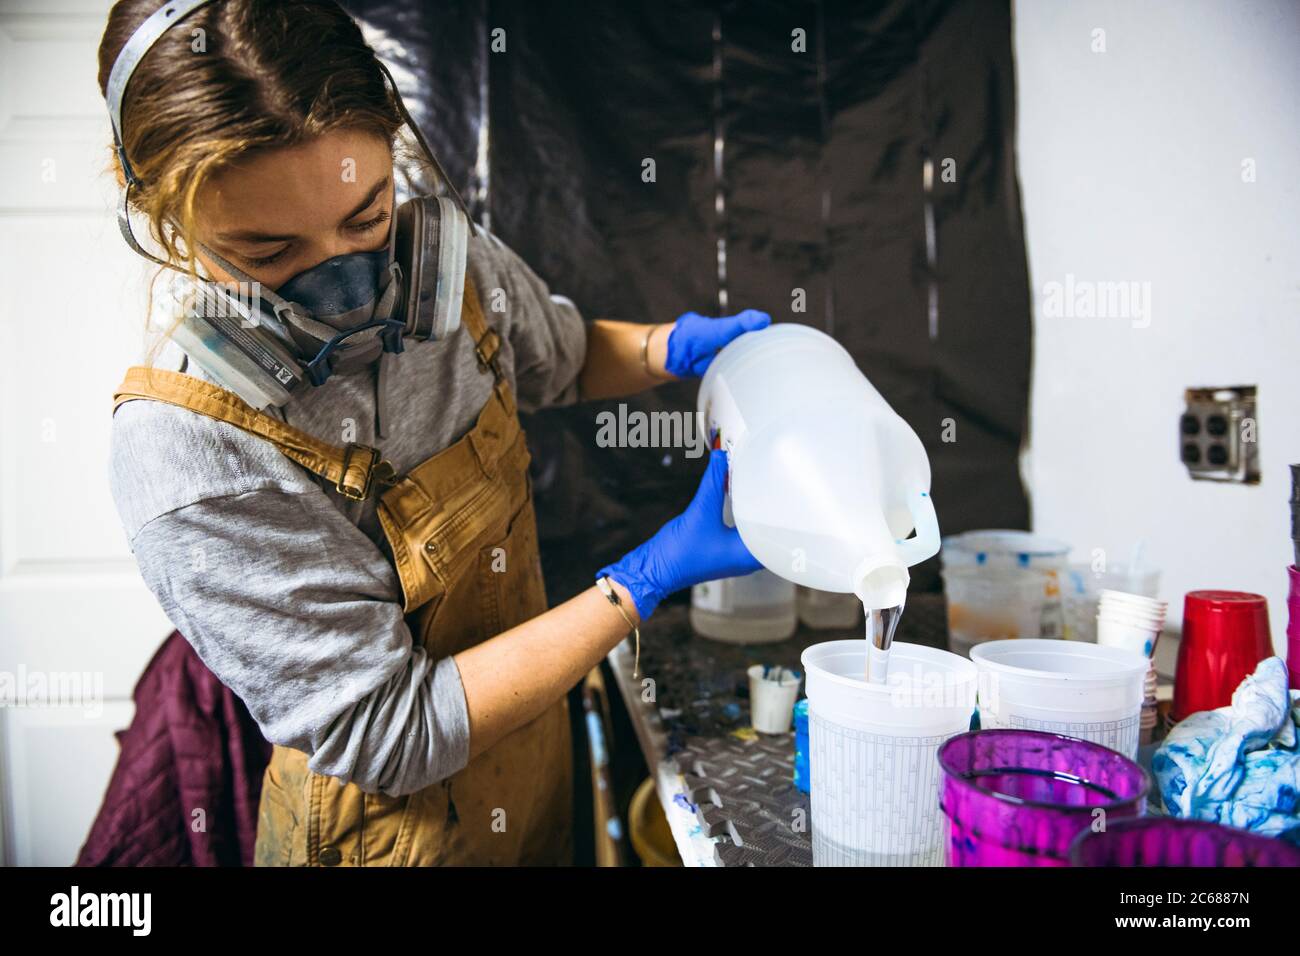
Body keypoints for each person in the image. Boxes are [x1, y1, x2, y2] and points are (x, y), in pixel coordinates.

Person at [99, 0, 769, 866]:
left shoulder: (444, 274)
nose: (345, 282)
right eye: (266, 254)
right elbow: (396, 731)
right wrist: (644, 579)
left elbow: (561, 359)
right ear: (162, 218)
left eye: (365, 218)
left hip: (529, 778)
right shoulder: (188, 452)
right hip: (386, 837)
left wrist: (670, 348)